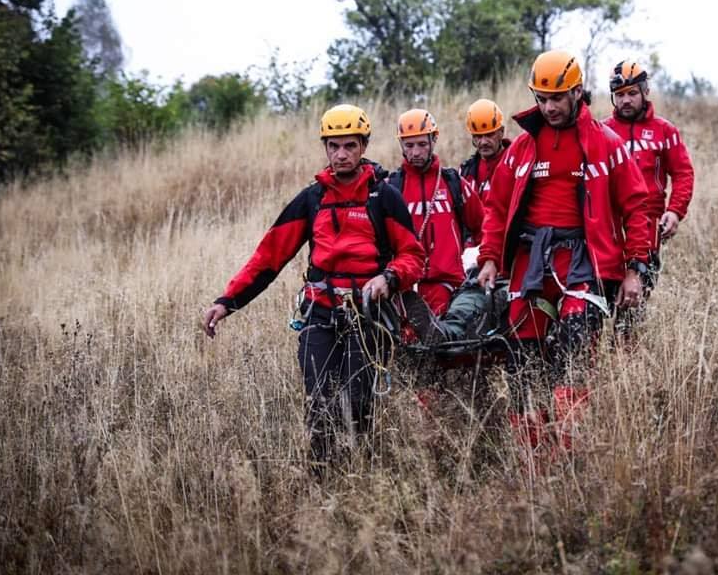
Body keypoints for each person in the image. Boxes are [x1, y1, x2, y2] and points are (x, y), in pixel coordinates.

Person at [200, 104, 425, 470]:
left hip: (368, 317)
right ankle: (323, 478)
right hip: (320, 314)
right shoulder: (312, 199)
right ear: (325, 147)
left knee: (356, 404)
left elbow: (413, 257)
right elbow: (269, 257)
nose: (341, 154)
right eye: (334, 146)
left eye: (350, 145)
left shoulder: (384, 197)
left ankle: (360, 477)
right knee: (320, 403)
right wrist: (227, 301)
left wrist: (389, 277)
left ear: (364, 146)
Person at [476, 50, 653, 457]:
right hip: (531, 262)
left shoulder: (606, 143)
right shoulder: (522, 148)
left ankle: (569, 457)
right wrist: (489, 257)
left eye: (556, 98)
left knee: (573, 352)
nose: (549, 107)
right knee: (522, 362)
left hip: (585, 262)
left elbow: (637, 206)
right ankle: (534, 460)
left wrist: (635, 269)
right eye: (541, 99)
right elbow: (496, 207)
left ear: (577, 92)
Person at [603, 60, 694, 287]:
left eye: (632, 93)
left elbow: (683, 173)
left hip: (649, 223)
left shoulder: (665, 130)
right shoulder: (602, 131)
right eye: (619, 94)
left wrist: (675, 211)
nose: (625, 100)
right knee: (606, 292)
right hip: (609, 225)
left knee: (639, 293)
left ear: (645, 92)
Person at [387, 108, 484, 319]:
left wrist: (474, 262)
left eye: (422, 144)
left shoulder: (453, 183)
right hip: (406, 291)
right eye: (409, 145)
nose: (415, 152)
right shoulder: (392, 188)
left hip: (451, 288)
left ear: (434, 140)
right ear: (401, 144)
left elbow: (482, 228)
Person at [460, 98, 512, 206]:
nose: (483, 142)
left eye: (489, 135)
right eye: (478, 136)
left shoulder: (516, 165)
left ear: (501, 132)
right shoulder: (465, 172)